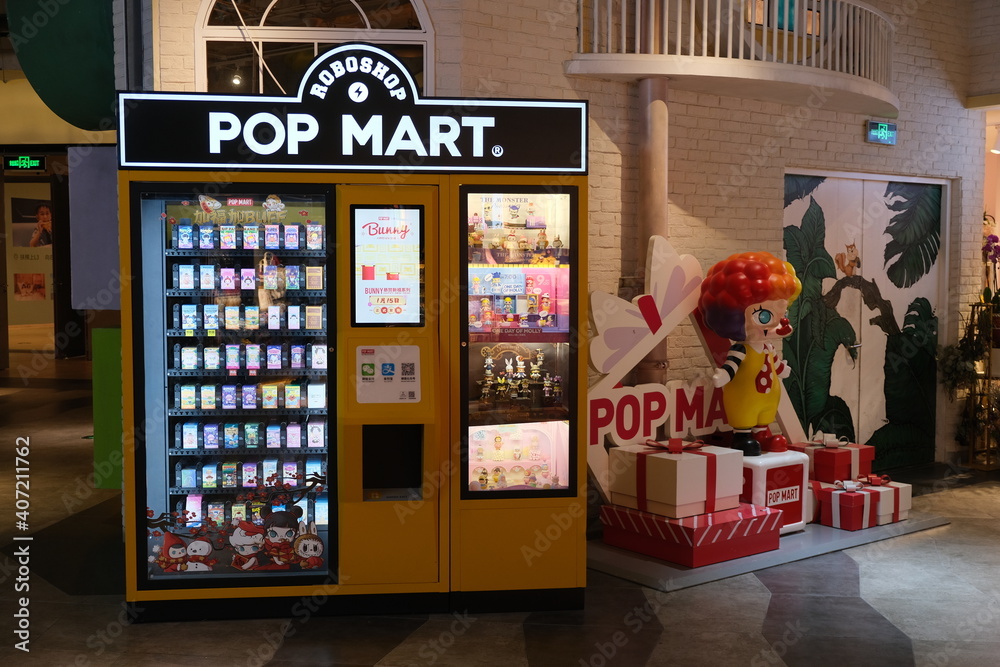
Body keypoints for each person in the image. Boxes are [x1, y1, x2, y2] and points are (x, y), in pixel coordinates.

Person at [698, 251, 801, 456]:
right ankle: (742, 436)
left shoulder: (768, 348)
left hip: (767, 397)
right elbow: (731, 366)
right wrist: (724, 375)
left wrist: (782, 369)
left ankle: (762, 434)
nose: (779, 323)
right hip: (744, 397)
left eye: (783, 314)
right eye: (765, 316)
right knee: (745, 414)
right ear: (736, 318)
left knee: (765, 414)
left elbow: (774, 364)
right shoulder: (741, 349)